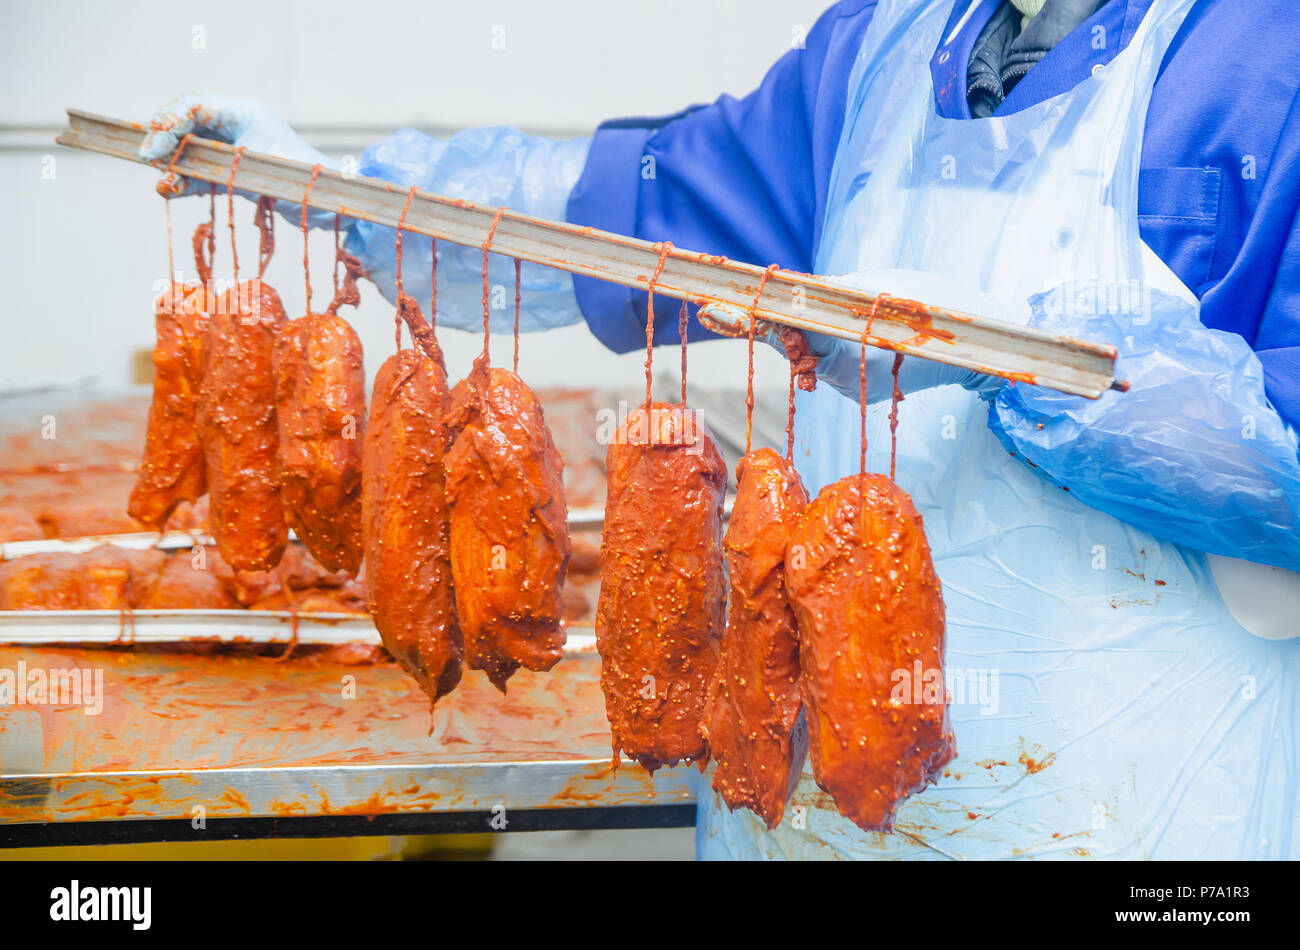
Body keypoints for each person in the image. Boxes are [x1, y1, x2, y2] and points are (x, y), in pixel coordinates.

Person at [143, 0, 1300, 859]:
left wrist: (1022, 358)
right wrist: (336, 187)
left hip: (1138, 811)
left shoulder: (1268, 53)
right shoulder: (886, 48)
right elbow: (631, 210)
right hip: (803, 811)